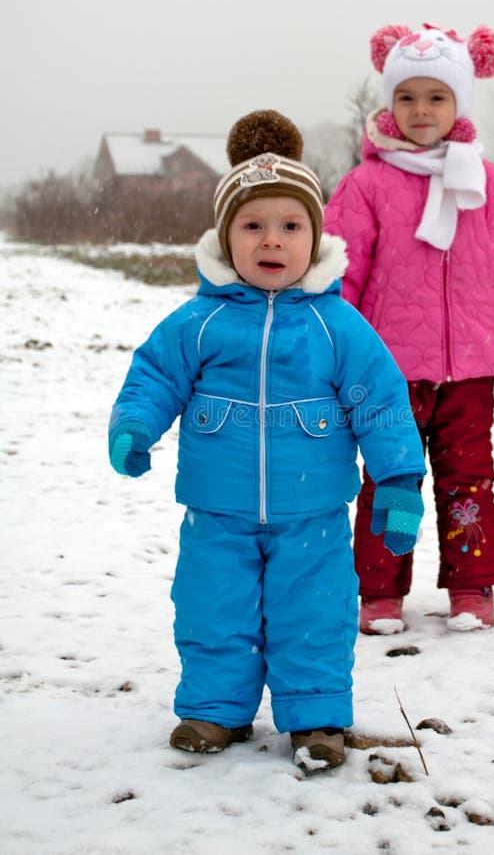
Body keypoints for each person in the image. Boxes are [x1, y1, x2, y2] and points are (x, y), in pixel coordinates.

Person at [108, 110, 426, 772]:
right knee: (210, 608)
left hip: (311, 516)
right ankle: (213, 710)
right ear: (226, 240)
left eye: (291, 225)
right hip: (215, 512)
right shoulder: (199, 321)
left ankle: (315, 717)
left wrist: (397, 484)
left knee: (313, 615)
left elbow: (382, 404)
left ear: (314, 237)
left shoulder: (338, 327)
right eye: (252, 226)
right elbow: (155, 374)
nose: (271, 239)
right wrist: (136, 426)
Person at [324, 22, 494, 635]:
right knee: (391, 479)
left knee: (468, 481)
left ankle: (470, 586)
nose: (420, 111)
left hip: (470, 372)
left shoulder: (490, 184)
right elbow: (339, 274)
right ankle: (378, 593)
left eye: (435, 97)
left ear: (459, 103)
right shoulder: (366, 185)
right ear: (389, 103)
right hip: (388, 372)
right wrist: (326, 345)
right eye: (406, 97)